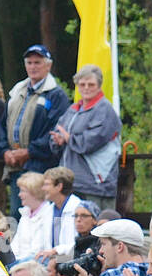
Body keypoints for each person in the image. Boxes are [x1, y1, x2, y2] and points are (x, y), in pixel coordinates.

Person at [2, 44, 68, 214]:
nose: (33, 67)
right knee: (17, 214)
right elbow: (2, 123)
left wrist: (29, 151)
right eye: (29, 62)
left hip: (40, 166)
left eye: (37, 62)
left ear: (48, 65)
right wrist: (4, 151)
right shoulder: (16, 91)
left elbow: (55, 131)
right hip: (15, 165)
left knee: (38, 211)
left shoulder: (56, 95)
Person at [51, 64, 122, 210]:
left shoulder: (105, 110)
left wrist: (69, 139)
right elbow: (58, 131)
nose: (86, 88)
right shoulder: (72, 109)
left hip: (95, 184)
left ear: (99, 86)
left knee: (98, 229)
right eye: (82, 84)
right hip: (71, 182)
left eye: (91, 84)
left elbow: (92, 141)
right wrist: (57, 141)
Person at [35, 166, 82, 263]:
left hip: (70, 259)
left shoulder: (78, 208)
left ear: (59, 186)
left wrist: (55, 251)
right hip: (50, 258)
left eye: (46, 184)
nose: (43, 188)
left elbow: (76, 244)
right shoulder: (49, 210)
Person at [10, 171, 50, 262]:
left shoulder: (48, 214)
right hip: (19, 262)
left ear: (35, 192)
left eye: (23, 191)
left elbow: (37, 249)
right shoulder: (25, 214)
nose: (19, 195)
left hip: (36, 264)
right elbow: (15, 245)